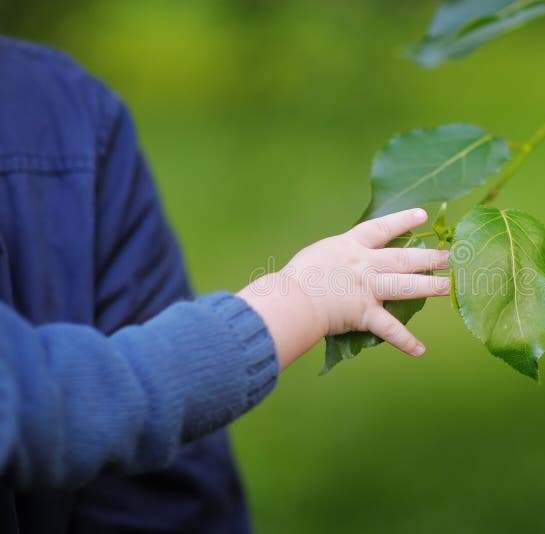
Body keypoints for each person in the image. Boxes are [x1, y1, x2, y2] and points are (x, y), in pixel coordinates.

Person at [0, 36, 450, 533]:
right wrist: (296, 302)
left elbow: (158, 493)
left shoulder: (73, 114)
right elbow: (64, 400)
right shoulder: (68, 116)